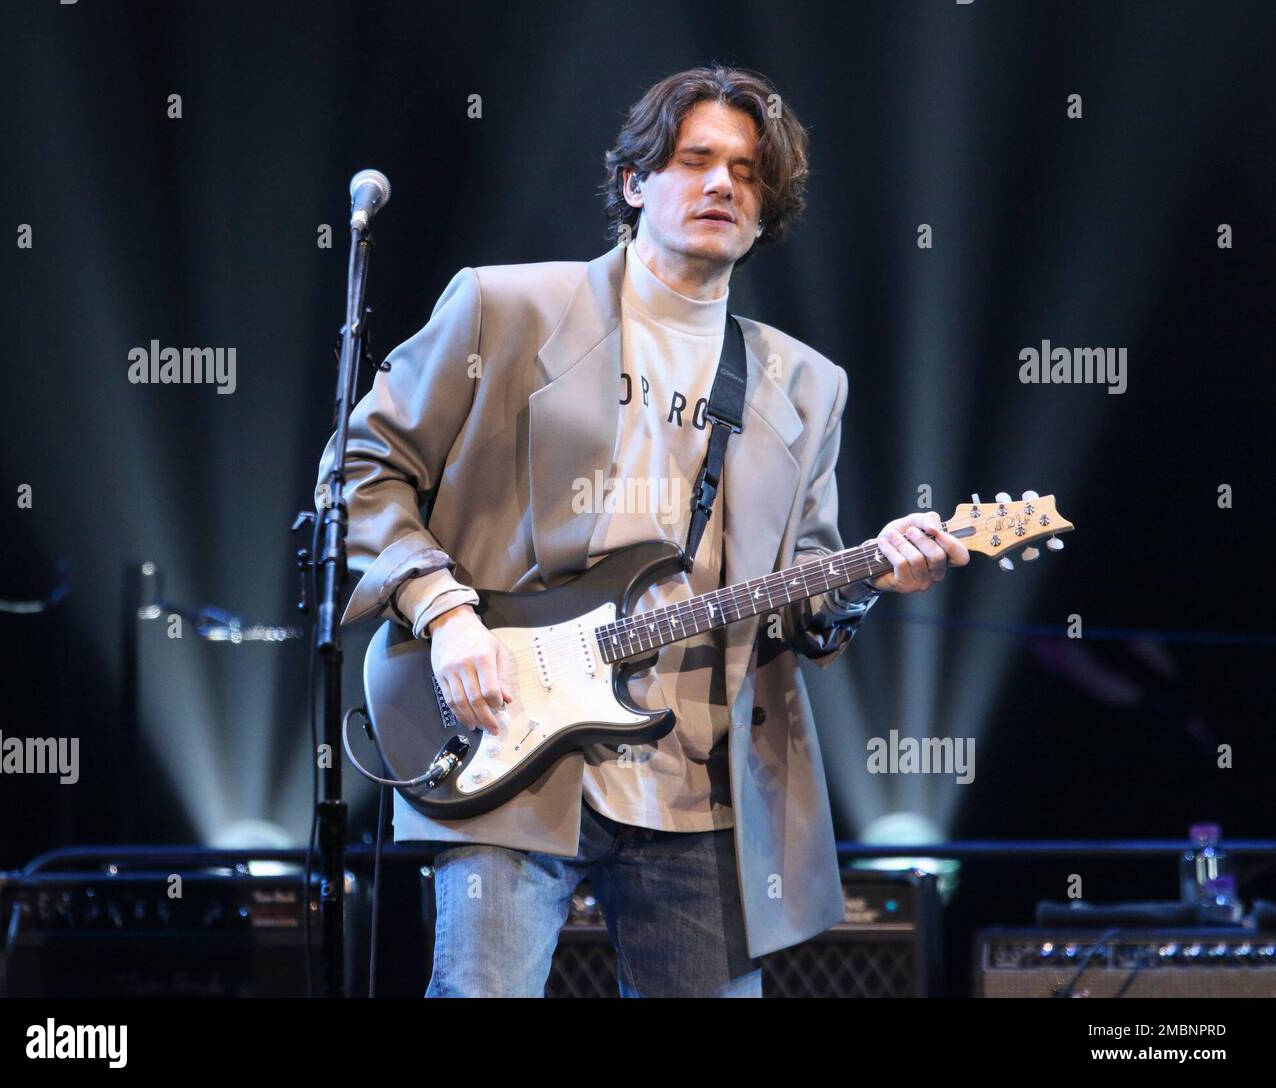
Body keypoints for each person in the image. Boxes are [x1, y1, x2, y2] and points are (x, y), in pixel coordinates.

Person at [315, 64, 969, 998]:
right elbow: (359, 467)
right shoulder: (508, 309)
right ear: (634, 183)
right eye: (696, 160)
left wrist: (873, 575)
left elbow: (805, 592)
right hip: (509, 744)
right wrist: (446, 613)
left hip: (697, 783)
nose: (721, 186)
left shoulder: (804, 383)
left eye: (747, 172)